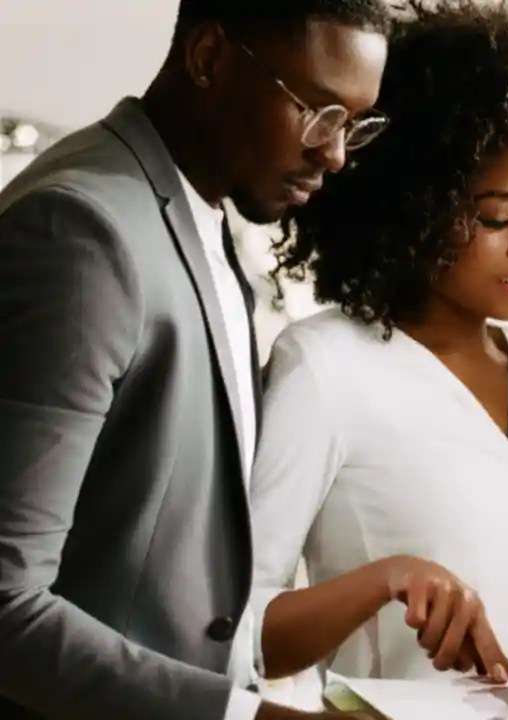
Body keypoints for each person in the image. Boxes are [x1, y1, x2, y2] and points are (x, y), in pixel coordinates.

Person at [0, 1, 391, 719]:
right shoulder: (81, 234)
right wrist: (245, 717)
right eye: (318, 112)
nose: (335, 153)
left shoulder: (199, 215)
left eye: (356, 124)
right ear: (208, 57)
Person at [249, 0, 508, 687]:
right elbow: (239, 633)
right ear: (414, 207)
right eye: (496, 216)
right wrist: (386, 580)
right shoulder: (325, 368)